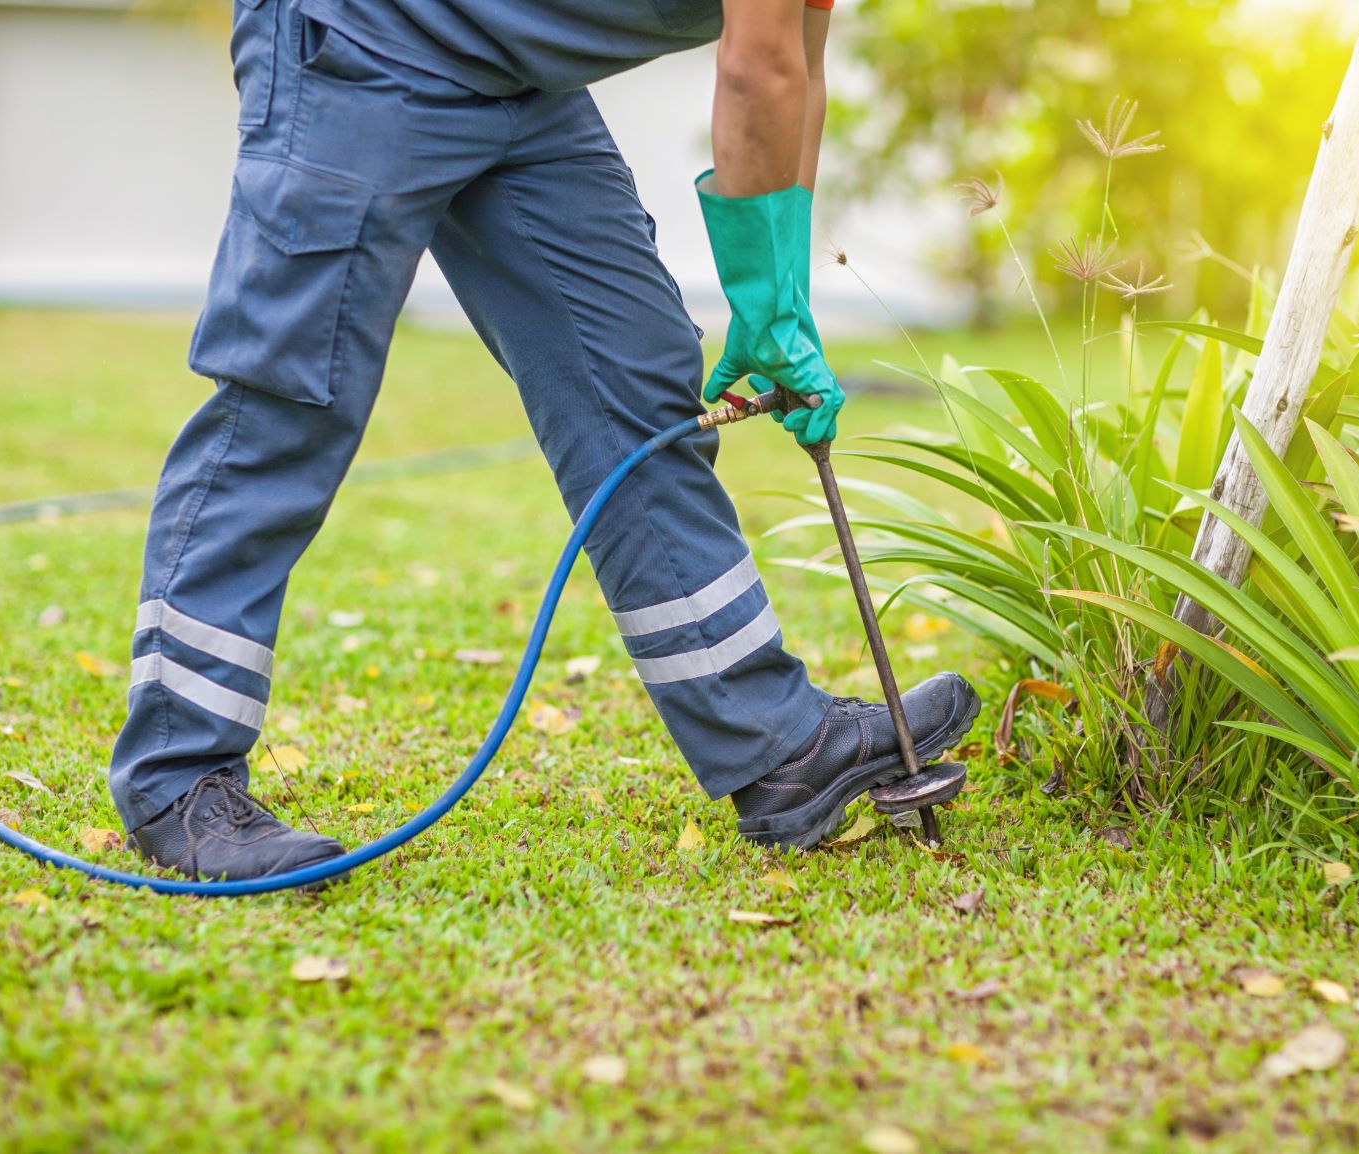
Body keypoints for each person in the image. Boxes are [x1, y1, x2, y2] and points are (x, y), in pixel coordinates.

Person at [110, 0, 980, 880]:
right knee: (292, 393)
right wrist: (765, 301)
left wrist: (780, 291)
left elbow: (800, 59)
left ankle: (774, 744)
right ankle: (179, 776)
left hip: (518, 72)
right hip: (367, 38)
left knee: (631, 375)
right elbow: (759, 68)